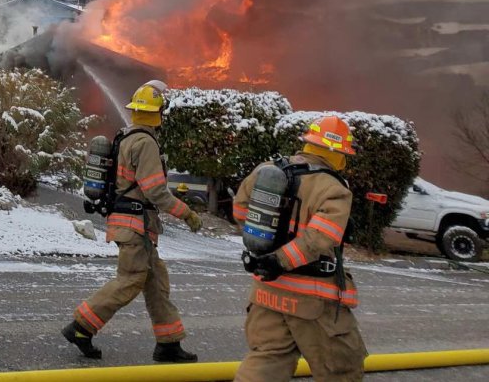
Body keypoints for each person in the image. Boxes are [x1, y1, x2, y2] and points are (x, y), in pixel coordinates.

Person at [62, 80, 202, 363]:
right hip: (135, 224)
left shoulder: (126, 137)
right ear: (158, 113)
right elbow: (155, 191)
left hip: (132, 223)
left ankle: (169, 344)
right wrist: (186, 213)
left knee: (156, 282)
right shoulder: (145, 143)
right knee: (130, 280)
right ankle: (81, 327)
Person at [233, 115, 368, 382]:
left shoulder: (268, 170)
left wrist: (270, 253)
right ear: (338, 153)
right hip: (311, 300)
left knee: (266, 361)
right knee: (342, 369)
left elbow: (240, 211)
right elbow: (321, 238)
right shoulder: (334, 189)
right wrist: (281, 260)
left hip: (266, 291)